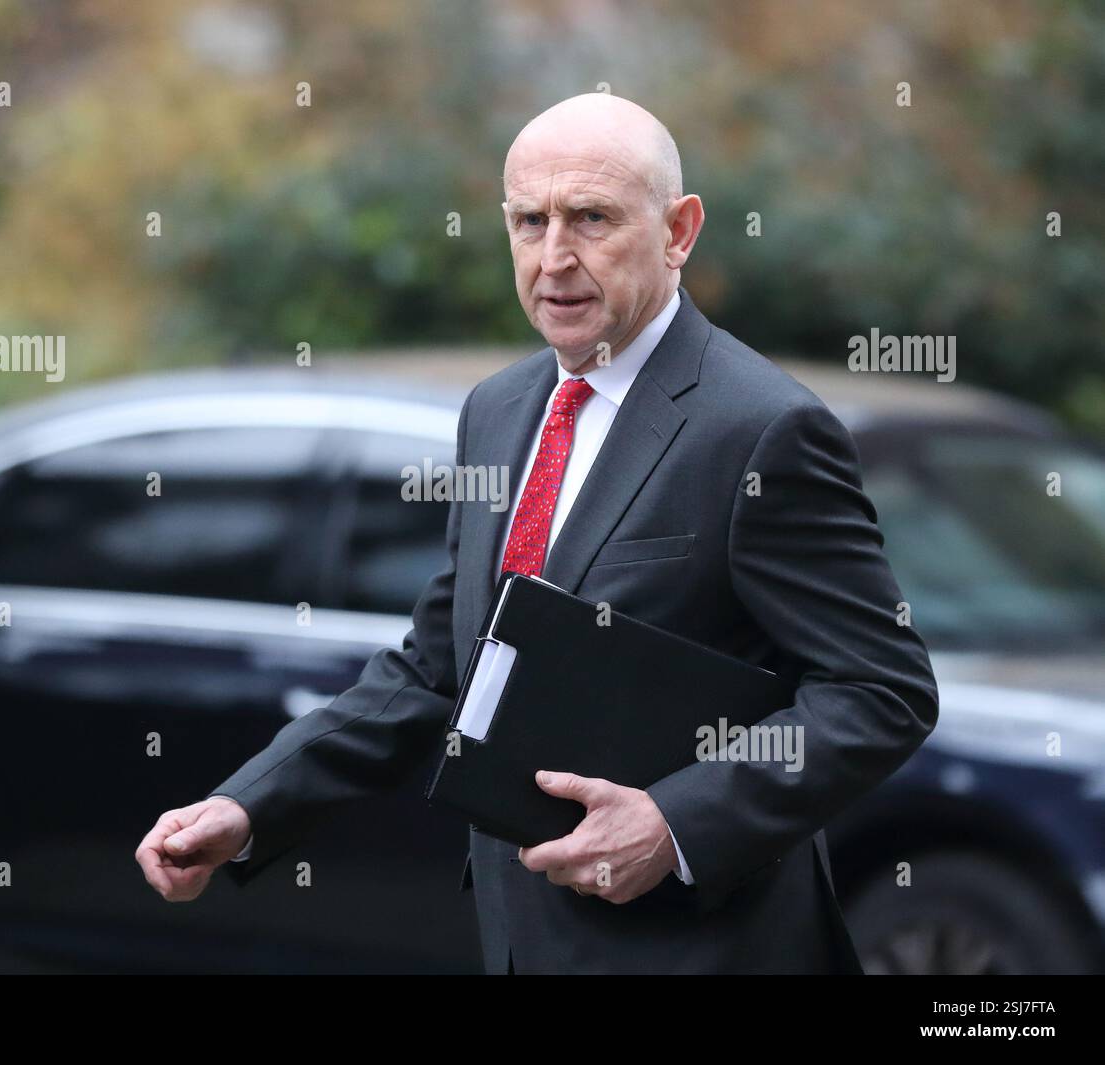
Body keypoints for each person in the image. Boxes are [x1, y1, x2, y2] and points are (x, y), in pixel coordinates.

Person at [135, 92, 939, 974]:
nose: (555, 257)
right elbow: (442, 665)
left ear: (679, 231)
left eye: (591, 218)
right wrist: (249, 807)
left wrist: (674, 824)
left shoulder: (762, 428)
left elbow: (880, 687)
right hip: (522, 938)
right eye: (530, 220)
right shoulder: (499, 410)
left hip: (706, 949)